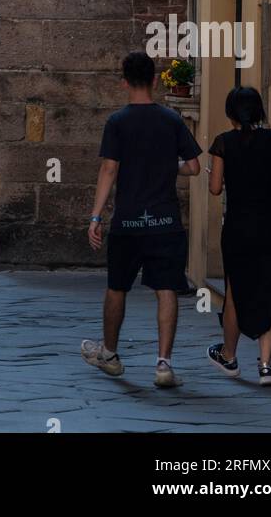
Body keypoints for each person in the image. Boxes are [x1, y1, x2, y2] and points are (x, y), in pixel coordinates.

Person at [82, 51, 201, 388]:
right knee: (166, 289)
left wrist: (95, 216)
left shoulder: (117, 122)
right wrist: (169, 165)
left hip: (128, 222)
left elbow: (109, 168)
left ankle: (109, 353)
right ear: (154, 80)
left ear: (124, 82)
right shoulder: (172, 120)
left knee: (117, 286)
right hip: (165, 222)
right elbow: (192, 166)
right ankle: (163, 364)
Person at [207, 86, 271, 386]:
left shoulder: (223, 143)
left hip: (239, 228)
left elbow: (215, 188)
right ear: (258, 110)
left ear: (231, 112)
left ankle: (229, 356)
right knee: (270, 289)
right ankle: (266, 366)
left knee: (235, 292)